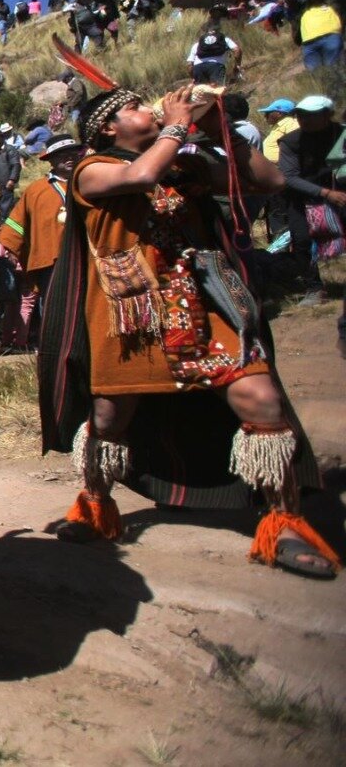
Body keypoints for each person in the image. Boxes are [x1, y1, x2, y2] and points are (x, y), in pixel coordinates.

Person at [40, 86, 337, 579]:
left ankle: (284, 523)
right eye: (134, 107)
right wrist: (178, 124)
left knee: (261, 401)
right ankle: (94, 504)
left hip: (208, 304)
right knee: (110, 418)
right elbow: (142, 174)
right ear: (107, 129)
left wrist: (226, 137)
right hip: (132, 315)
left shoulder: (186, 163)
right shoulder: (92, 169)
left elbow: (270, 181)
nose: (149, 110)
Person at [0, 135, 83, 351]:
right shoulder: (36, 190)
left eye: (73, 153)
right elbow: (17, 223)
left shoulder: (87, 182)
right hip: (49, 260)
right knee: (53, 306)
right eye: (63, 155)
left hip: (84, 257)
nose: (70, 158)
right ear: (51, 160)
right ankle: (55, 348)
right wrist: (10, 248)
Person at [276, 95, 346, 300]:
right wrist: (325, 193)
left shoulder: (341, 133)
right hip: (302, 196)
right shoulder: (291, 142)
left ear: (327, 116)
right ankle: (314, 287)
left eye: (310, 116)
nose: (303, 120)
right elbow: (289, 177)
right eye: (300, 115)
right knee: (302, 241)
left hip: (340, 190)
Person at [187, 20, 239, 85]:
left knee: (202, 92)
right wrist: (237, 65)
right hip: (216, 67)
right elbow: (237, 50)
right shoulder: (224, 39)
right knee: (218, 91)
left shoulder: (197, 44)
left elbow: (189, 64)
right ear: (218, 30)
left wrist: (193, 77)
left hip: (198, 68)